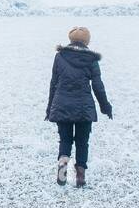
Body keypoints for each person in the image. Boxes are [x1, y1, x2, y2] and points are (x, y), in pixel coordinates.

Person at [45, 26, 112, 187]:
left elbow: (53, 83)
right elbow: (98, 85)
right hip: (84, 108)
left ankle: (62, 164)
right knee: (82, 141)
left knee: (65, 140)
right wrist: (105, 106)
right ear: (87, 41)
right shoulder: (91, 59)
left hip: (62, 105)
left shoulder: (60, 56)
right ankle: (80, 175)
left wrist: (50, 108)